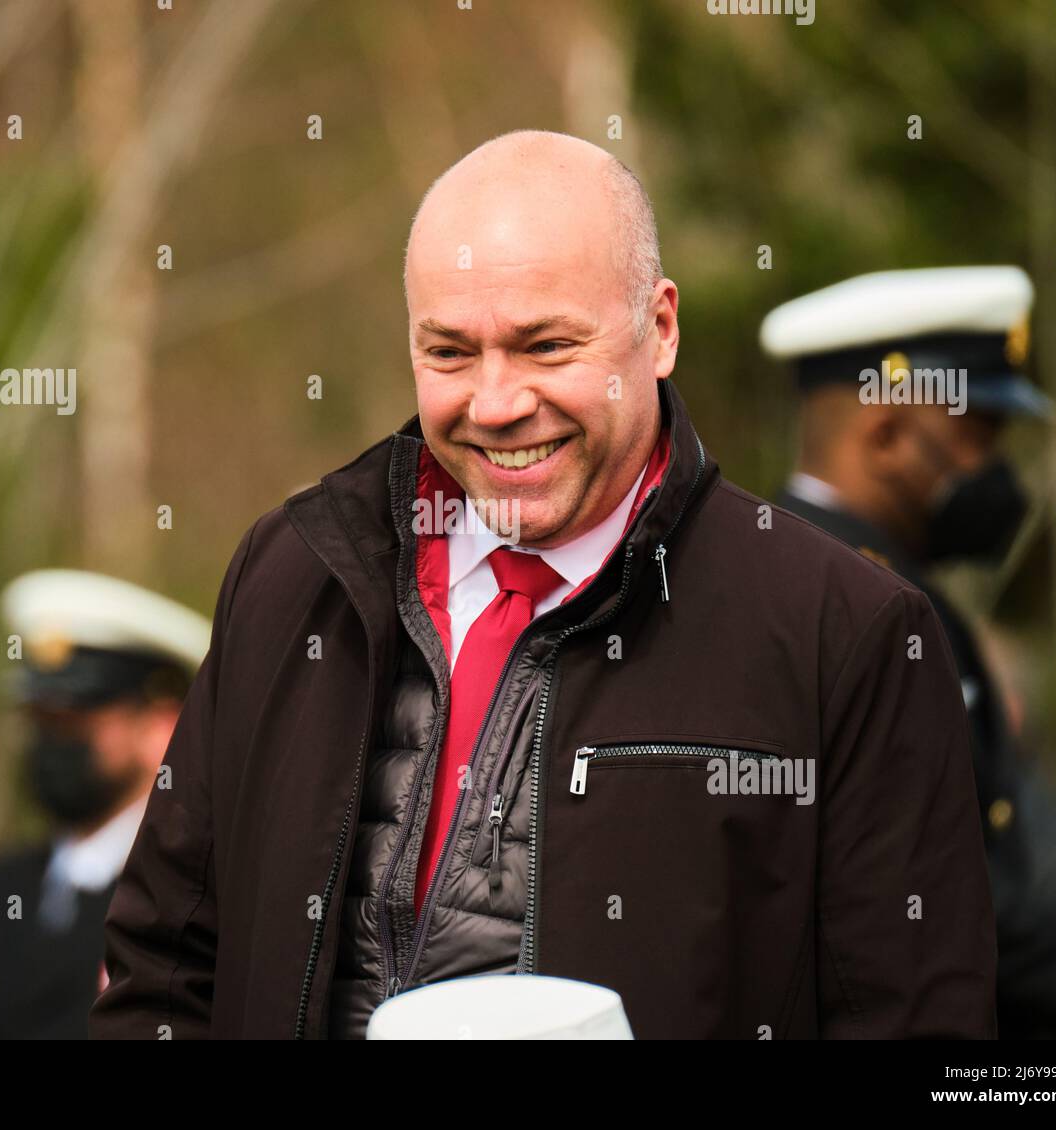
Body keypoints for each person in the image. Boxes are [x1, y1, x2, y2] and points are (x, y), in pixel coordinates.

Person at [90, 130, 996, 1040]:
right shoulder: (288, 575)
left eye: (546, 346)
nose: (495, 402)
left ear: (661, 328)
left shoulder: (845, 634)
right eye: (449, 353)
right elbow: (160, 974)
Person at [762, 266, 1056, 1039]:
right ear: (886, 433)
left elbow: (993, 818)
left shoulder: (866, 576)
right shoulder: (843, 597)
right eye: (979, 436)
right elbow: (909, 882)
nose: (998, 468)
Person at [0, 570, 210, 1039]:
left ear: (160, 728)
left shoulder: (192, 905)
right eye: (41, 720)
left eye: (73, 722)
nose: (50, 744)